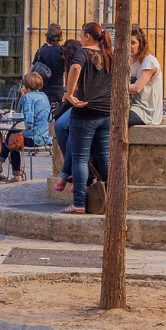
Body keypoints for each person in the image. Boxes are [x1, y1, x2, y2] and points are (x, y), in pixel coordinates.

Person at [55, 22, 113, 214]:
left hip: (85, 111)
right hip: (106, 112)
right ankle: (112, 200)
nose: (80, 38)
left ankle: (78, 203)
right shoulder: (109, 54)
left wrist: (69, 94)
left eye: (81, 34)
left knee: (80, 158)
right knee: (105, 158)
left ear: (88, 36)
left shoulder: (83, 52)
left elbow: (74, 69)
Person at [0, 71, 50, 182]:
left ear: (26, 85)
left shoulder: (28, 98)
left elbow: (29, 121)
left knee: (14, 139)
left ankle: (0, 165)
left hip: (34, 138)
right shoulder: (43, 96)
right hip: (45, 137)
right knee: (14, 137)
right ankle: (11, 173)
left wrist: (24, 98)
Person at [51, 38, 82, 167]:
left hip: (80, 103)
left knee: (60, 125)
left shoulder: (76, 65)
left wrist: (67, 95)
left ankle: (67, 165)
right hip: (77, 102)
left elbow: (76, 88)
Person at [129, 25, 163, 126]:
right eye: (127, 42)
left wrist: (113, 89)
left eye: (133, 43)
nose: (129, 46)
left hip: (146, 111)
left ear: (141, 44)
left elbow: (136, 88)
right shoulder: (129, 62)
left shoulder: (149, 61)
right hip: (132, 107)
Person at [32, 23, 66, 106]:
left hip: (43, 90)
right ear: (60, 36)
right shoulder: (63, 52)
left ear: (48, 35)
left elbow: (32, 70)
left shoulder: (41, 51)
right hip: (58, 90)